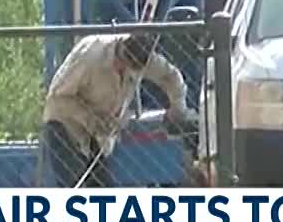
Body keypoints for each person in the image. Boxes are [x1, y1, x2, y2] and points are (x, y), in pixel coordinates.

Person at [41, 32, 194, 188]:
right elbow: (58, 97)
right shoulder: (90, 56)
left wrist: (178, 108)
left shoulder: (145, 60)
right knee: (74, 186)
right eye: (119, 62)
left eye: (127, 68)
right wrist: (92, 120)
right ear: (119, 50)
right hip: (66, 126)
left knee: (101, 192)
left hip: (98, 135)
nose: (119, 67)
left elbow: (170, 76)